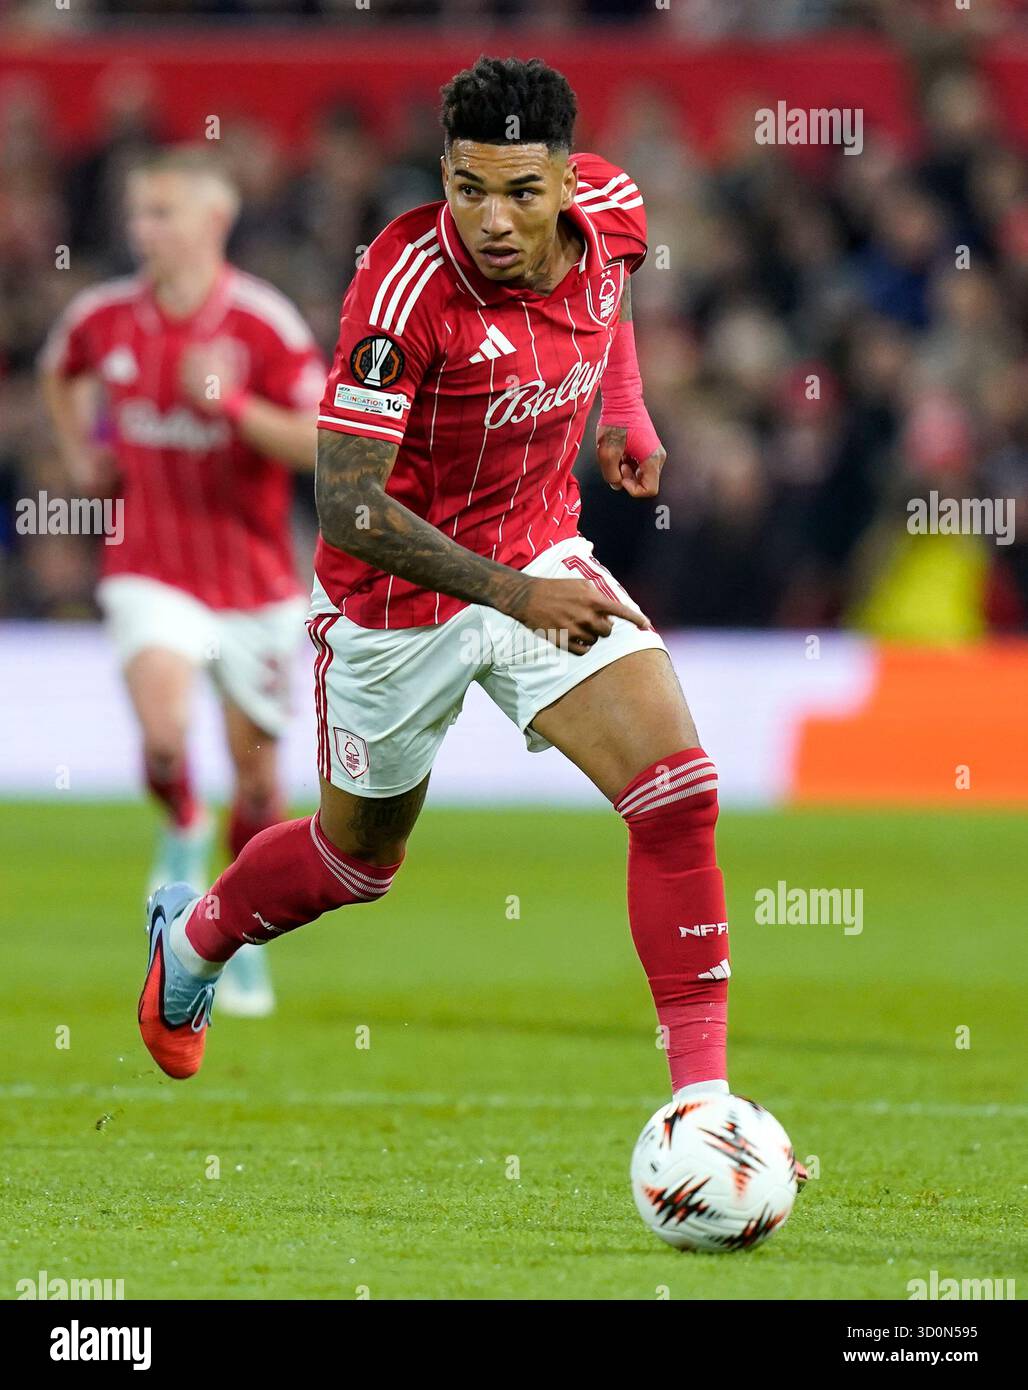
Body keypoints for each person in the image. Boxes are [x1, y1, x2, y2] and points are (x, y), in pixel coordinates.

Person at [139, 57, 738, 1121]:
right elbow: (348, 506)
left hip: (540, 548)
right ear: (443, 176)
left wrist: (624, 409)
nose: (493, 220)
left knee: (677, 794)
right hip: (394, 596)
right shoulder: (401, 288)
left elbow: (615, 292)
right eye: (468, 188)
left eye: (520, 191)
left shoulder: (614, 207)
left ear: (565, 181)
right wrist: (511, 596)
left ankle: (704, 1110)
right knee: (356, 862)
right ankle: (197, 939)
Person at [40, 147, 325, 1016]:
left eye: (160, 212)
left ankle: (230, 929)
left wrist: (230, 408)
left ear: (213, 219)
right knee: (166, 738)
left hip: (256, 586)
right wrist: (80, 451)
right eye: (137, 213)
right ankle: (179, 824)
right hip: (148, 571)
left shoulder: (264, 325)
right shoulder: (104, 317)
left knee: (261, 790)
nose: (142, 230)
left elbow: (321, 443)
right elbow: (60, 371)